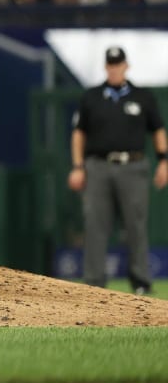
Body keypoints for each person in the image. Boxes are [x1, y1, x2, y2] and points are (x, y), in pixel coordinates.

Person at [69, 46, 168, 294]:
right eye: (111, 64)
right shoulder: (91, 97)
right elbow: (79, 133)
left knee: (135, 225)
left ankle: (141, 284)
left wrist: (164, 161)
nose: (114, 68)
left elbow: (157, 130)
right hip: (98, 166)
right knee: (95, 225)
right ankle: (93, 284)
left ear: (126, 66)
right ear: (106, 67)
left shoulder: (142, 96)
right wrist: (78, 166)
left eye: (118, 64)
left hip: (133, 166)